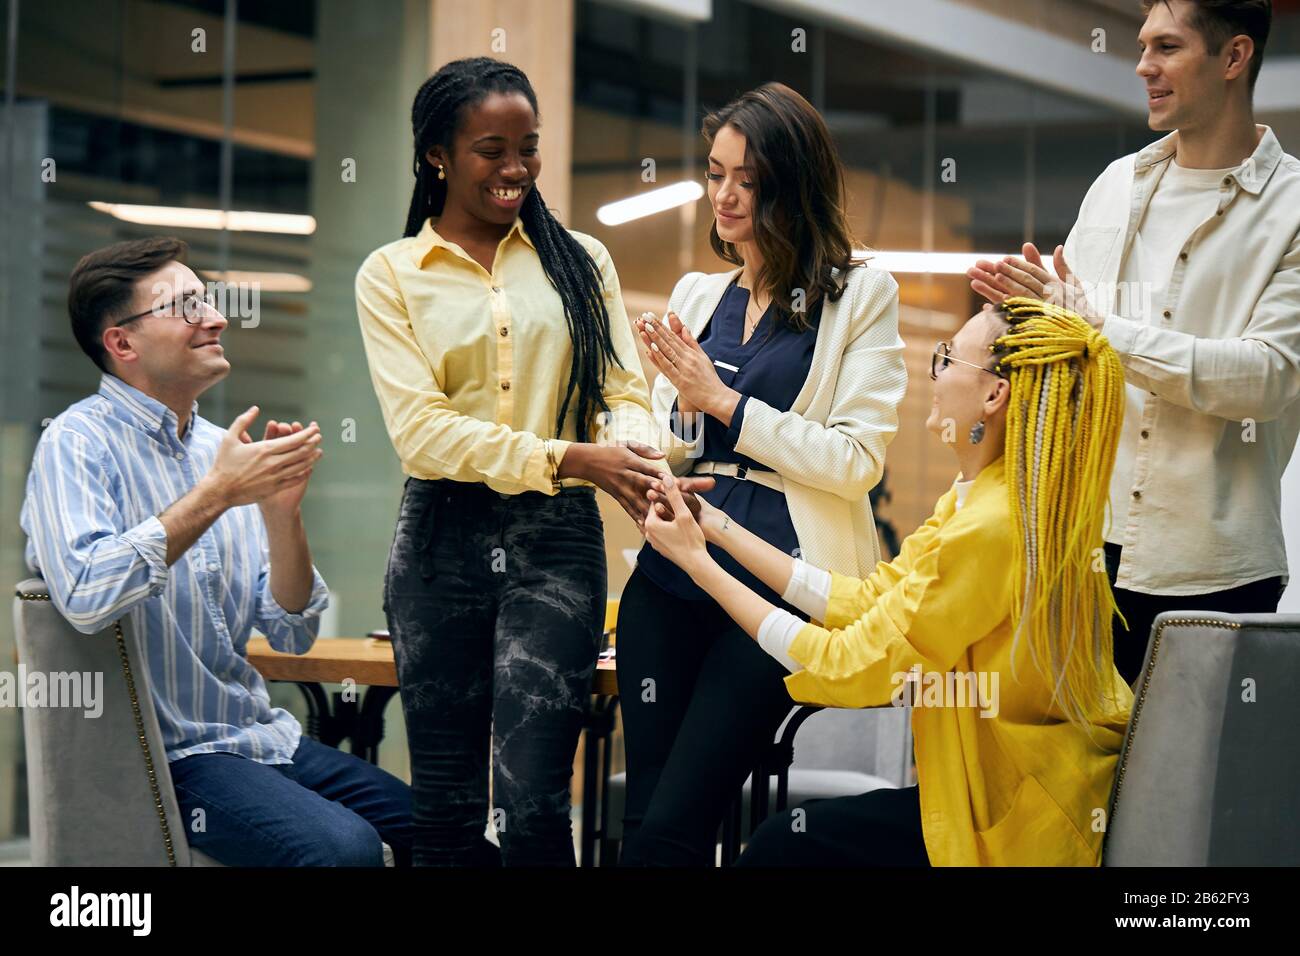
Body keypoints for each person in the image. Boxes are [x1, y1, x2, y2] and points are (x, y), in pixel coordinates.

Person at [643, 299, 1134, 866]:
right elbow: (871, 599)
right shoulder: (979, 498)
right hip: (997, 797)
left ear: (994, 394)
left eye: (948, 359)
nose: (937, 372)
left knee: (784, 848)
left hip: (1017, 829)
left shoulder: (993, 525)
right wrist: (718, 530)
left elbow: (849, 663)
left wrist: (698, 565)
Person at [355, 57, 664, 866]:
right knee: (447, 811)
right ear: (438, 156)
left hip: (554, 542)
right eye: (491, 149)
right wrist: (573, 456)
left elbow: (623, 389)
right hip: (438, 541)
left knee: (532, 804)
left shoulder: (579, 261)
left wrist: (629, 448)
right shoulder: (390, 276)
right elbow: (423, 435)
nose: (516, 169)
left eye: (528, 147)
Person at [21, 237, 414, 866]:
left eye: (207, 299)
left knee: (451, 838)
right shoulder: (76, 443)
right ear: (122, 343)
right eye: (186, 306)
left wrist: (282, 516)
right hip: (171, 758)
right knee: (345, 850)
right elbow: (87, 594)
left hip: (263, 738)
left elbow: (290, 633)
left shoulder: (216, 450)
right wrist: (217, 495)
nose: (218, 317)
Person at [616, 82, 907, 866]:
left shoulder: (860, 295)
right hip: (673, 571)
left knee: (679, 820)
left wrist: (722, 400)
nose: (726, 195)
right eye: (716, 173)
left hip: (777, 585)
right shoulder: (697, 292)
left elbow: (854, 461)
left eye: (749, 179)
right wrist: (659, 434)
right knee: (640, 815)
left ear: (792, 184)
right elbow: (671, 436)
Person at [968, 0, 1299, 684]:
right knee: (1078, 786)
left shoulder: (1292, 209)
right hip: (1084, 552)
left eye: (1167, 47)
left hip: (1214, 575)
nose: (1143, 65)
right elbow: (1077, 354)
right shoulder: (1116, 186)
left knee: (1185, 790)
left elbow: (1266, 381)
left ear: (1234, 57)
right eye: (1143, 45)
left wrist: (1099, 329)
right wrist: (1037, 319)